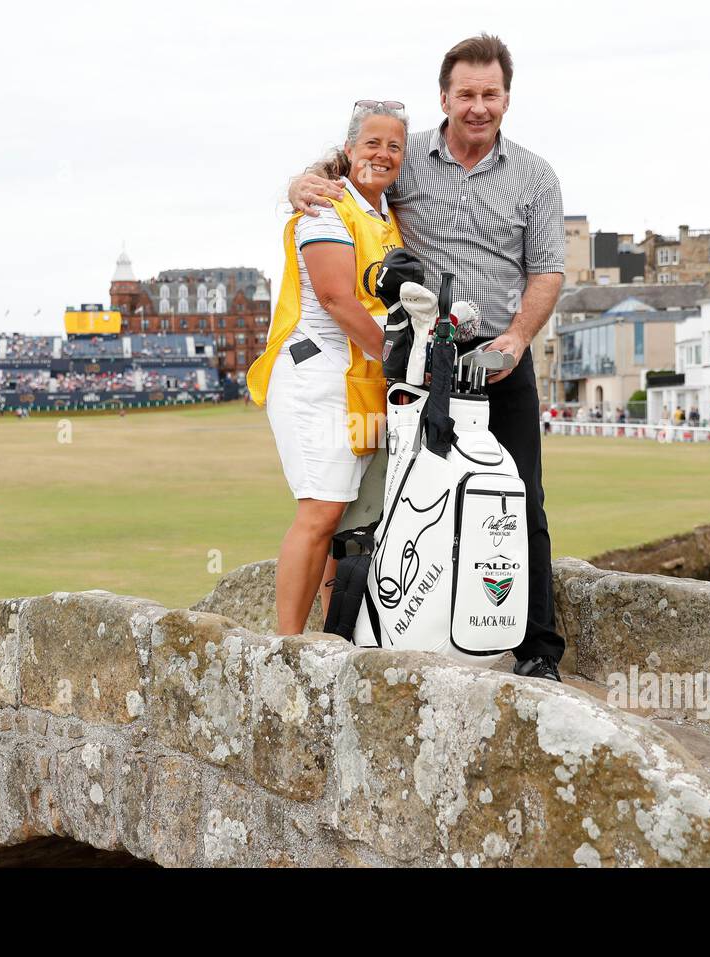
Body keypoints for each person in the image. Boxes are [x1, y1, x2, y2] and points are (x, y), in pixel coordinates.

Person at [287, 34, 566, 681]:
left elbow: (548, 271)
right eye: (464, 94)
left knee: (522, 497)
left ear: (506, 98)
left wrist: (518, 338)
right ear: (444, 96)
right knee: (406, 496)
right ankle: (410, 630)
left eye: (489, 94)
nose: (477, 106)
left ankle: (538, 650)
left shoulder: (535, 175)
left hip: (500, 355)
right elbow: (348, 171)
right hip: (423, 362)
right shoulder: (406, 155)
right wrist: (300, 180)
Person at [249, 101, 408, 636]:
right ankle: (287, 647)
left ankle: (330, 637)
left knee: (343, 519)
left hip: (357, 379)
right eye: (371, 143)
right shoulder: (327, 207)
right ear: (349, 150)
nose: (382, 155)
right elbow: (338, 299)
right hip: (316, 374)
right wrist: (402, 361)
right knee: (320, 510)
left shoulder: (386, 215)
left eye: (393, 146)